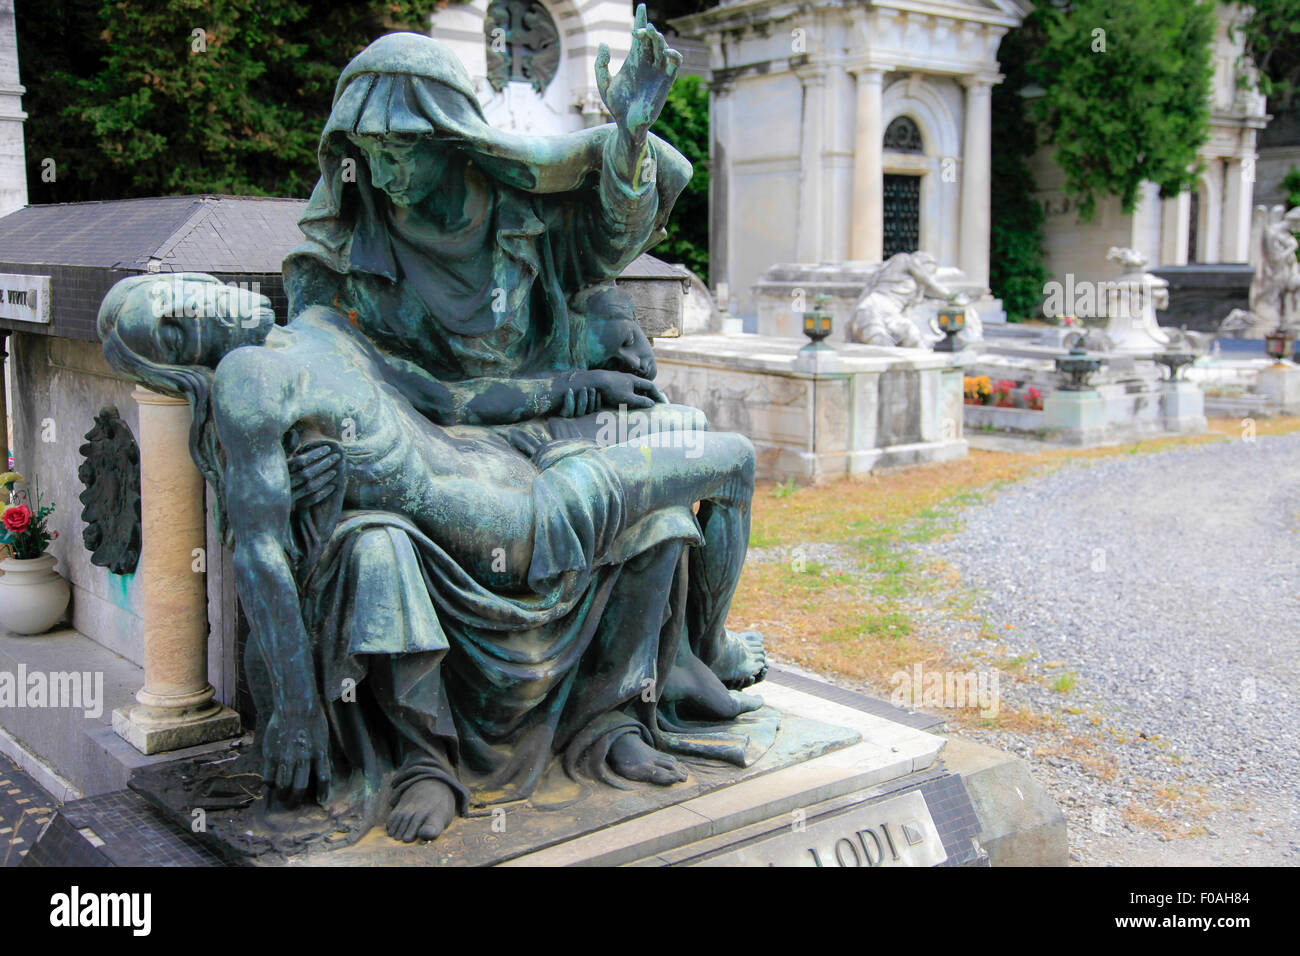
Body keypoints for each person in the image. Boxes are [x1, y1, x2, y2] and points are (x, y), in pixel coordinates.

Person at [99, 272, 764, 845]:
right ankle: (713, 651)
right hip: (525, 517)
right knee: (734, 461)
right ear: (188, 363)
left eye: (179, 296)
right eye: (176, 333)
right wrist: (297, 711)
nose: (198, 312)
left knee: (682, 428)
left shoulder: (319, 329)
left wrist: (584, 386)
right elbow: (261, 553)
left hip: (520, 456)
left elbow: (451, 402)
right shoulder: (248, 376)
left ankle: (664, 679)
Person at [283, 9, 766, 689]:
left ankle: (700, 647)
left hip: (549, 421)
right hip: (455, 449)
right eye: (371, 150)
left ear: (452, 135)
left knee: (693, 435)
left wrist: (629, 137)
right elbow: (323, 381)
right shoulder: (344, 256)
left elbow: (608, 244)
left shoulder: (516, 206)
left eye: (405, 147)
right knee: (714, 461)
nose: (386, 172)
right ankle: (683, 660)